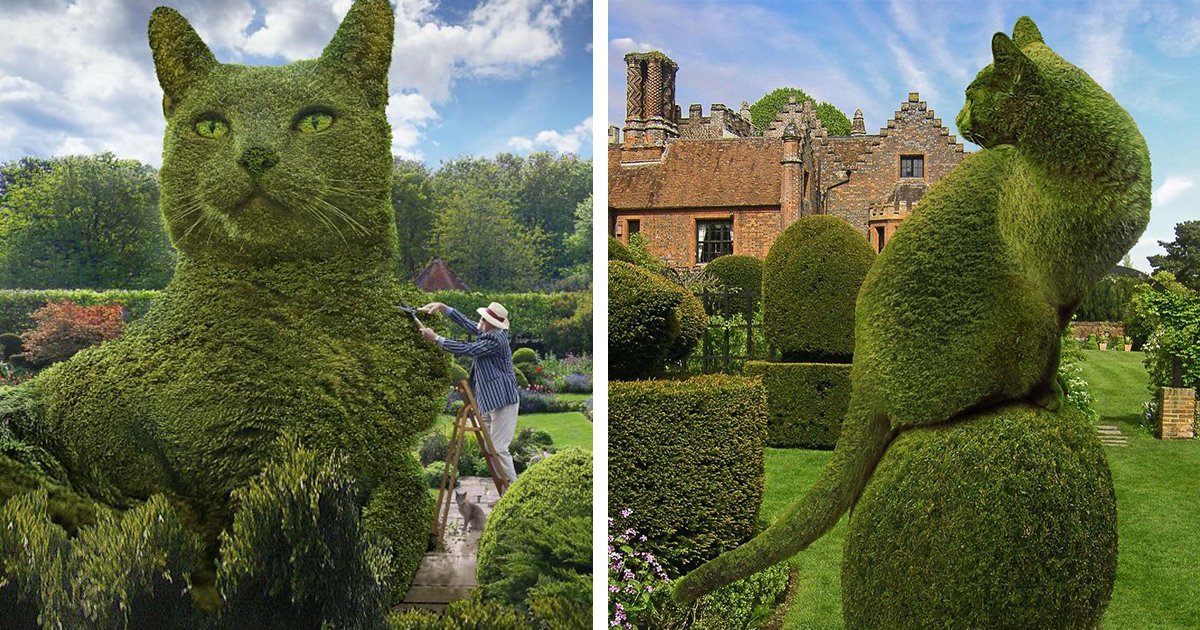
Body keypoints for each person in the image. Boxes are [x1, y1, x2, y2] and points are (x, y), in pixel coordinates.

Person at [418, 301, 519, 492]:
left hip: (503, 401)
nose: (480, 321)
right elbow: (466, 323)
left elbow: (467, 349)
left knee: (498, 448)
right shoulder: (488, 332)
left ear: (493, 324)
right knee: (490, 449)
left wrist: (436, 338)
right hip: (489, 400)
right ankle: (505, 493)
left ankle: (516, 491)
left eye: (484, 319)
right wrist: (443, 307)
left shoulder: (495, 340)